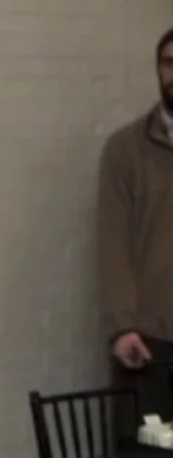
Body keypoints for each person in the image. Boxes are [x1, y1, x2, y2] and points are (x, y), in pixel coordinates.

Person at [99, 26, 173, 420]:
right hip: (149, 341)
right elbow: (113, 244)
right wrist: (121, 326)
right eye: (168, 63)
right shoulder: (125, 150)